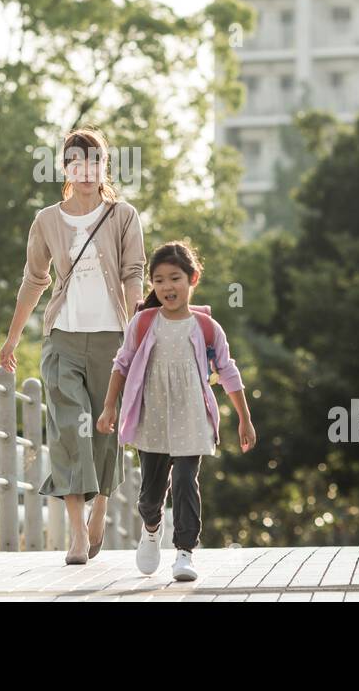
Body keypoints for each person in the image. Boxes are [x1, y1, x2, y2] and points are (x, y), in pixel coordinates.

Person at [0, 128, 146, 564]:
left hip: (111, 341)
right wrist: (11, 339)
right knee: (69, 428)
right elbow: (34, 281)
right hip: (61, 338)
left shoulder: (123, 216)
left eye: (94, 161)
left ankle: (100, 508)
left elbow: (133, 273)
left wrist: (138, 327)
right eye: (76, 163)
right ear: (65, 169)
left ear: (105, 166)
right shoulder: (47, 220)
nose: (86, 171)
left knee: (104, 430)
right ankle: (78, 534)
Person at [96, 240, 256, 581]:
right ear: (152, 284)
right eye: (159, 280)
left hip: (192, 416)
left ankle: (185, 552)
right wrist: (109, 407)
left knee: (185, 481)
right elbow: (121, 364)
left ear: (192, 278)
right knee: (150, 496)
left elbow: (227, 371)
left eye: (175, 278)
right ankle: (151, 528)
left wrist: (244, 417)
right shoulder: (142, 323)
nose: (167, 287)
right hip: (152, 418)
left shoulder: (207, 328)